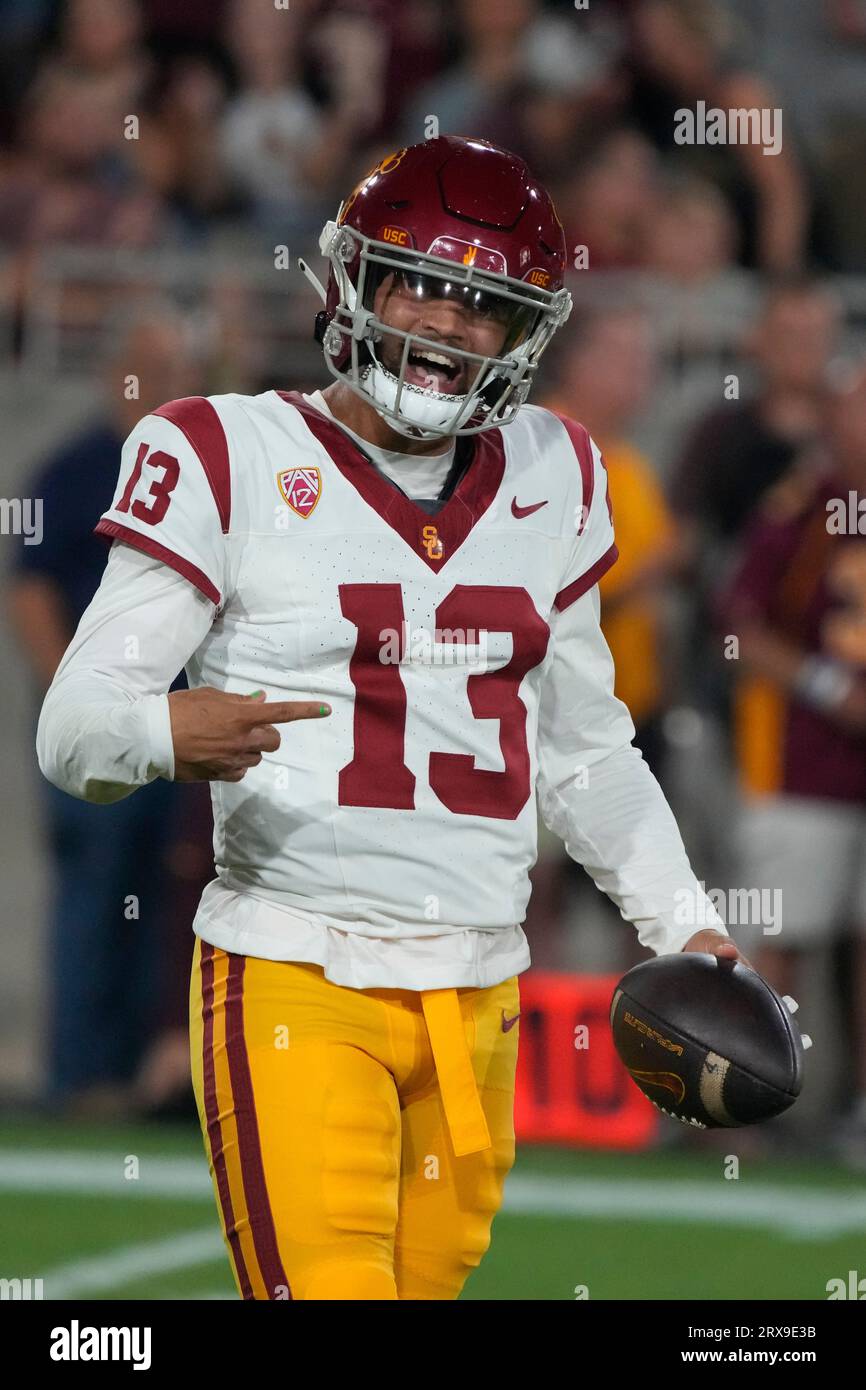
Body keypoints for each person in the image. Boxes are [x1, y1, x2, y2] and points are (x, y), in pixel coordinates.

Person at [37, 136, 747, 1301]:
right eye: (419, 281)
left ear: (527, 330)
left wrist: (687, 927)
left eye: (483, 302)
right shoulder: (222, 449)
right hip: (296, 966)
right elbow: (73, 727)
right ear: (351, 279)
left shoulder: (559, 468)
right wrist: (169, 732)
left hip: (478, 993)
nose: (446, 322)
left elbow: (583, 749)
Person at [719, 362, 866, 1153]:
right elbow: (738, 622)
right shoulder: (802, 507)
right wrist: (821, 683)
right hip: (801, 764)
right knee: (782, 937)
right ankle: (750, 1105)